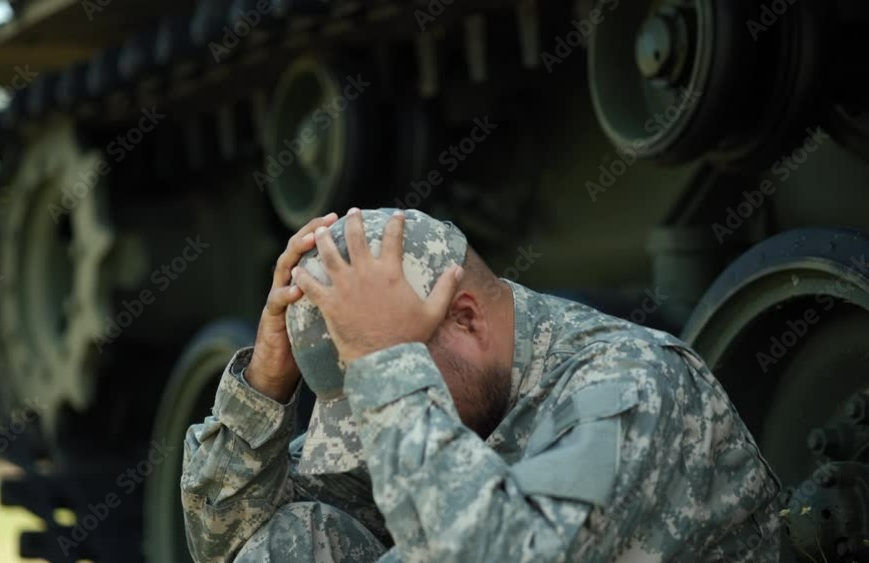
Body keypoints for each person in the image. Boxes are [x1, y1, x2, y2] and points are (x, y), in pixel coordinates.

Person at [181, 208, 781, 562]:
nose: (373, 422)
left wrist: (390, 368)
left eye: (397, 364)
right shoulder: (437, 392)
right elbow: (226, 539)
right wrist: (265, 383)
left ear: (467, 318)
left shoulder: (632, 383)